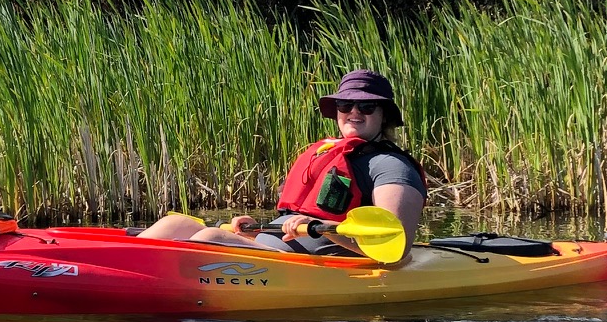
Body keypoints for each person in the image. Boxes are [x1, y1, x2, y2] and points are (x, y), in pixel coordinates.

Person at [142, 69, 426, 256]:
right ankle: (120, 268)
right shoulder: (327, 153)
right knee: (175, 224)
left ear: (384, 115)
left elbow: (396, 247)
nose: (353, 112)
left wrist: (321, 225)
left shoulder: (391, 166)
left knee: (209, 237)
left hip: (311, 264)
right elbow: (294, 218)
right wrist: (259, 228)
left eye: (366, 106)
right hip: (274, 247)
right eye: (344, 106)